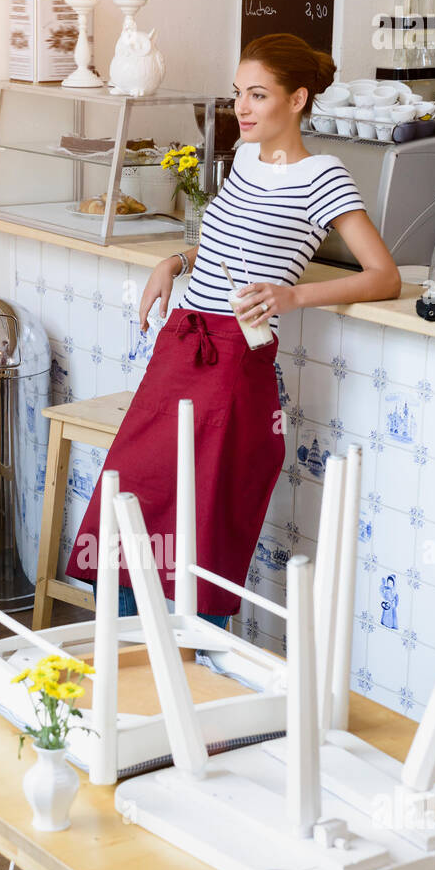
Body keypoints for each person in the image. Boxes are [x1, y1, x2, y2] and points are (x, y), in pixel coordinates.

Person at [65, 32, 401, 623]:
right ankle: (122, 666)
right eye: (237, 93)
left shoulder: (323, 177)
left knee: (205, 515)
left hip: (236, 363)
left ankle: (192, 672)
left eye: (257, 95)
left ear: (297, 100)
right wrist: (174, 262)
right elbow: (227, 245)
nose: (240, 108)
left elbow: (384, 276)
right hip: (182, 345)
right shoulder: (245, 158)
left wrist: (293, 295)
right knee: (132, 496)